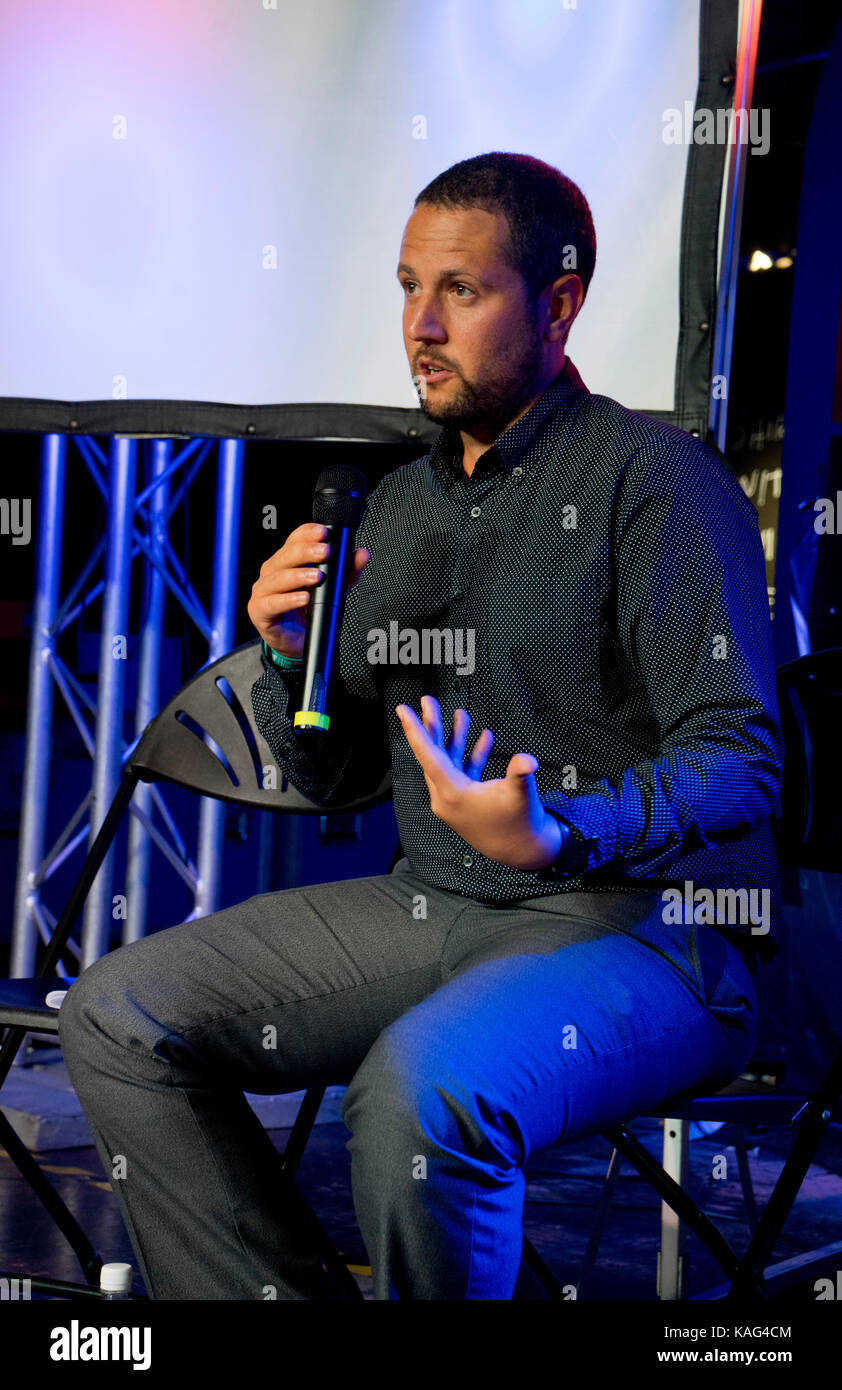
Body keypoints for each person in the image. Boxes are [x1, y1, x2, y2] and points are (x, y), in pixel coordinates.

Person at [58, 152, 783, 1300]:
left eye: (460, 290)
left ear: (556, 301)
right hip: (435, 902)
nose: (420, 326)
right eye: (406, 288)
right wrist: (289, 660)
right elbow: (332, 769)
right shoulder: (391, 512)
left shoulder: (657, 481)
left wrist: (561, 830)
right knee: (116, 1012)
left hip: (652, 926)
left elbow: (741, 759)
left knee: (420, 1091)